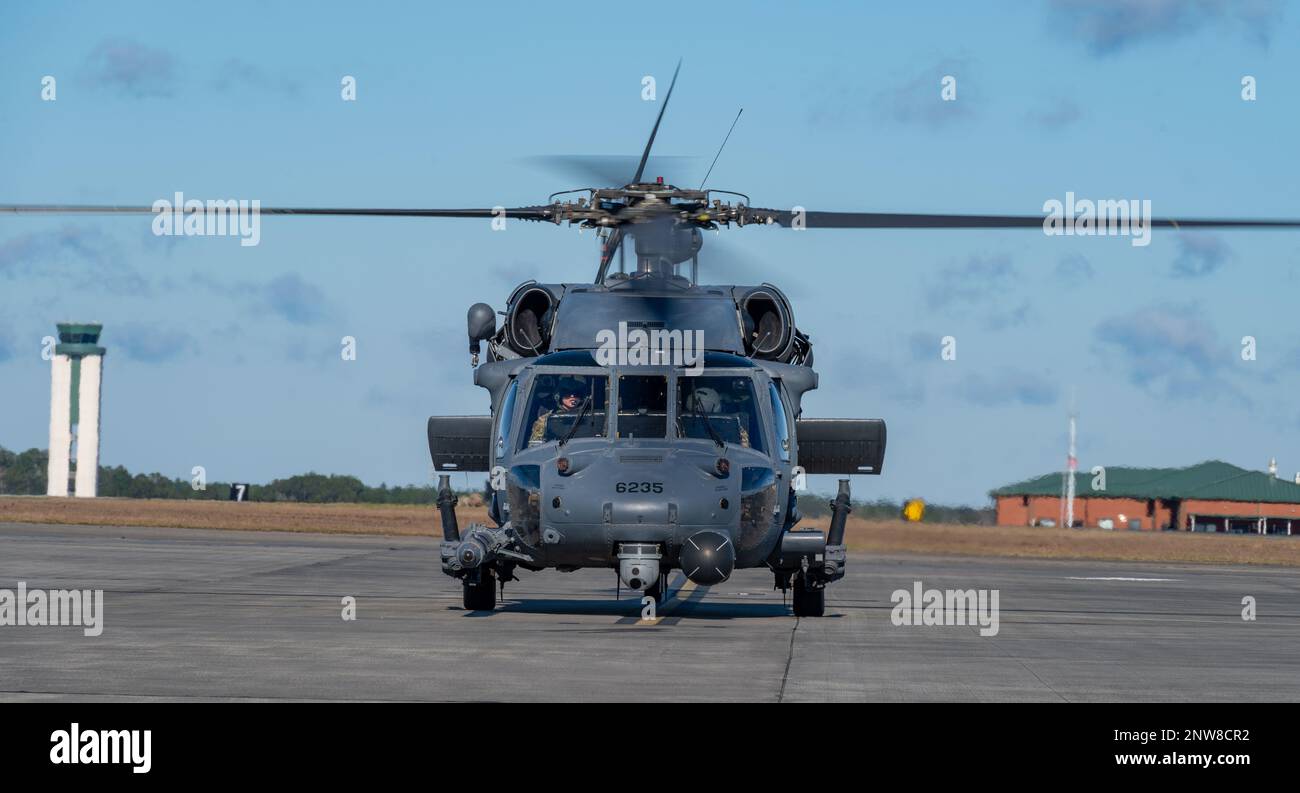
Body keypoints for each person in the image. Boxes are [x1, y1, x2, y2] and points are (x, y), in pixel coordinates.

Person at [529, 377, 586, 444]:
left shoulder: (589, 416)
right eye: (567, 392)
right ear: (559, 394)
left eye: (577, 393)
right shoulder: (545, 420)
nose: (572, 396)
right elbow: (534, 445)